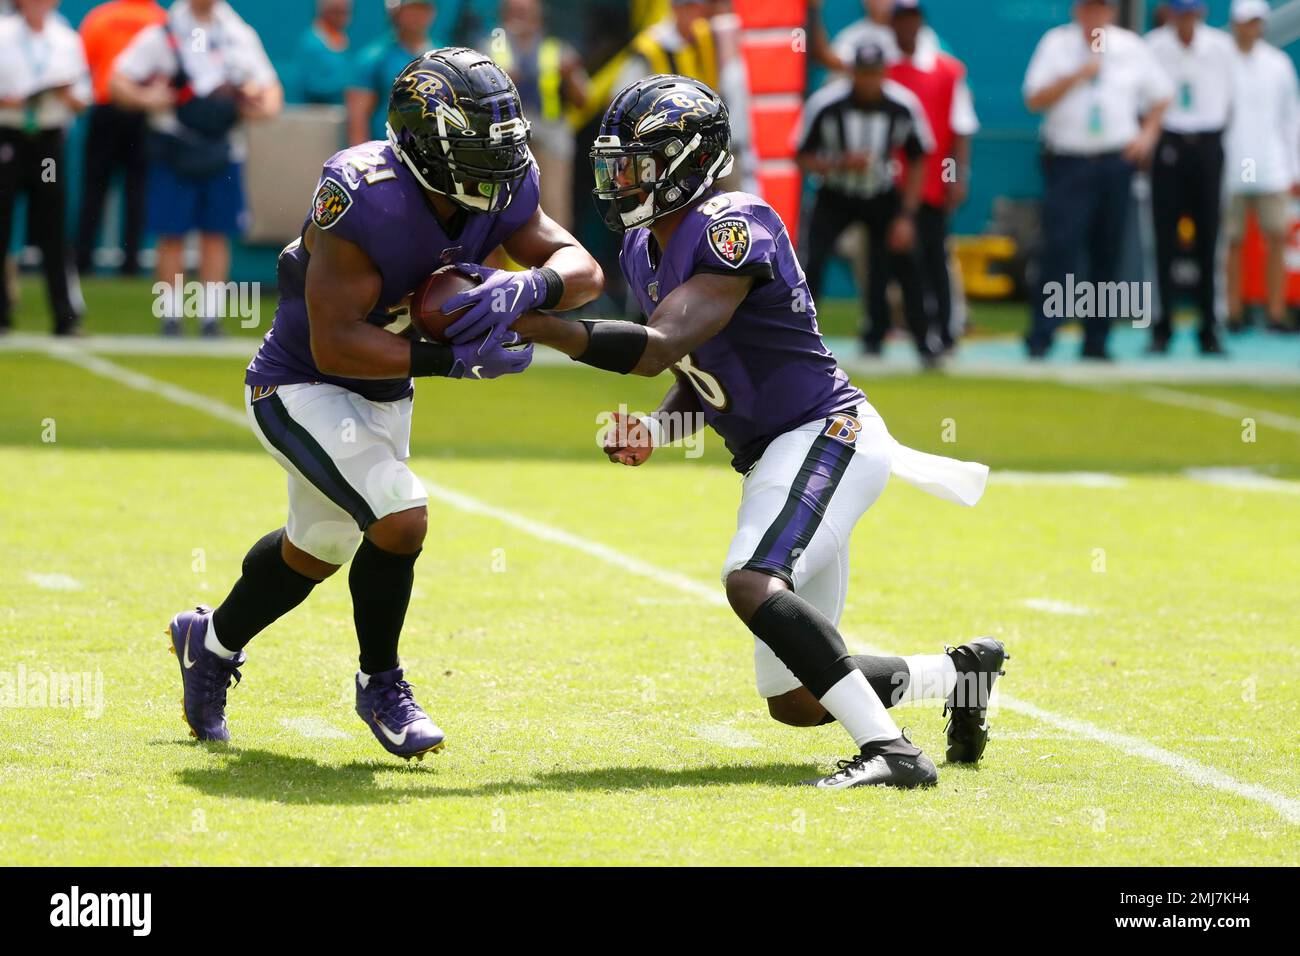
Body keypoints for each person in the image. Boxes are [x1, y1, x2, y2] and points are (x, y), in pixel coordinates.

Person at [514, 74, 1004, 789]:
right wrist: (658, 429)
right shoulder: (643, 248)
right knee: (797, 699)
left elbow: (656, 344)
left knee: (751, 582)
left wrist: (534, 322)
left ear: (687, 164)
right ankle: (958, 676)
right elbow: (692, 362)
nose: (620, 180)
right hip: (781, 450)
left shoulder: (732, 223)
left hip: (824, 434)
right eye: (615, 165)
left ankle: (894, 754)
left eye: (637, 166)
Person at [165, 49, 603, 758]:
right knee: (400, 518)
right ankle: (381, 683)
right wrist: (453, 360)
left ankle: (207, 644)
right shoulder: (362, 192)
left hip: (383, 394)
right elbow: (336, 343)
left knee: (315, 549)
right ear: (426, 143)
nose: (495, 164)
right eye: (472, 147)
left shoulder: (504, 180)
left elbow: (581, 266)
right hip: (300, 384)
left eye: (499, 145)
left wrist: (531, 288)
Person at [111, 0, 282, 337]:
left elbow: (270, 88)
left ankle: (210, 317)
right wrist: (148, 98)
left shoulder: (237, 34)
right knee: (171, 233)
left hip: (222, 147)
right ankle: (171, 316)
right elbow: (118, 80)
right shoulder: (162, 33)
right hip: (175, 144)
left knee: (216, 234)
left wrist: (259, 105)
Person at [1023, 0, 1171, 360]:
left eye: (1100, 8)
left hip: (1115, 161)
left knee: (1107, 251)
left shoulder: (1131, 47)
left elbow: (1161, 97)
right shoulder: (1055, 44)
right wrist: (1076, 75)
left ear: (1110, 13)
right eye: (1087, 8)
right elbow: (1033, 99)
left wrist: (1147, 136)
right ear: (1077, 11)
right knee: (1061, 247)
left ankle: (1096, 339)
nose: (1093, 16)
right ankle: (1042, 335)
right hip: (1069, 161)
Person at [796, 42, 938, 363]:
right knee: (810, 260)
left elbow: (918, 159)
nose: (869, 81)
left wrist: (907, 215)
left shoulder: (902, 105)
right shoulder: (826, 105)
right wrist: (839, 164)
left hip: (881, 194)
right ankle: (800, 337)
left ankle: (919, 341)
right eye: (863, 73)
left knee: (897, 260)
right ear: (852, 73)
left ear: (884, 73)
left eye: (875, 73)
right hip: (834, 194)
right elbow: (802, 155)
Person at [887, 0, 978, 353]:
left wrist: (955, 176)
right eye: (901, 19)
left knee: (934, 256)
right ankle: (894, 329)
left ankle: (944, 329)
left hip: (931, 181)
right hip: (887, 183)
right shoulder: (883, 67)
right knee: (890, 261)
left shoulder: (947, 70)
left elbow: (961, 128)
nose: (906, 26)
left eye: (912, 18)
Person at [1145, 0, 1234, 355]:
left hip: (1208, 144)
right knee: (1163, 239)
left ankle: (1209, 327)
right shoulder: (1152, 47)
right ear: (1169, 12)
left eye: (1190, 11)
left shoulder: (1220, 48)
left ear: (1201, 13)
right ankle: (1161, 325)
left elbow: (1232, 100)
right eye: (1179, 11)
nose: (1185, 19)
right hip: (1168, 143)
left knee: (1209, 239)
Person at [0, 0, 90, 337]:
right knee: (3, 221)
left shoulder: (66, 39)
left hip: (48, 145)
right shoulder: (4, 34)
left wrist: (68, 96)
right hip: (8, 137)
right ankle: (2, 314)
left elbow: (83, 94)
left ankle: (65, 316)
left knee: (52, 226)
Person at [75, 0, 166, 277]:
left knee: (95, 188)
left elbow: (82, 62)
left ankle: (82, 260)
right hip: (142, 112)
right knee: (136, 189)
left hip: (107, 108)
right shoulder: (160, 19)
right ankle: (131, 263)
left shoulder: (102, 17)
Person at [1224, 0, 1299, 334]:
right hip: (1233, 164)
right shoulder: (1221, 60)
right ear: (1236, 24)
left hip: (1270, 166)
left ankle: (1275, 312)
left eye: (1255, 22)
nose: (1250, 28)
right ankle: (1234, 312)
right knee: (1233, 240)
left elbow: (1290, 119)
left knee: (1276, 237)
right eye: (1245, 22)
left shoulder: (1278, 64)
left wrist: (1294, 168)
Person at [482, 0, 588, 230]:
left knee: (554, 203)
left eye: (528, 13)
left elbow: (583, 100)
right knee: (501, 205)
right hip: (506, 135)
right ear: (505, 16)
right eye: (516, 12)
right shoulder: (492, 47)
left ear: (539, 17)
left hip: (551, 133)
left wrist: (570, 76)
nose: (522, 18)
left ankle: (558, 259)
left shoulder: (557, 49)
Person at [347, 0, 433, 146]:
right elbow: (358, 117)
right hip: (386, 154)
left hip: (431, 155)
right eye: (410, 10)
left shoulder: (440, 57)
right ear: (395, 13)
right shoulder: (373, 58)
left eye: (421, 9)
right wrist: (362, 159)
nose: (416, 16)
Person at [291, 0, 353, 106]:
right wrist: (351, 88)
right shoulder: (311, 44)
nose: (344, 17)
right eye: (337, 12)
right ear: (324, 11)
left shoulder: (343, 40)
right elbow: (311, 86)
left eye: (346, 12)